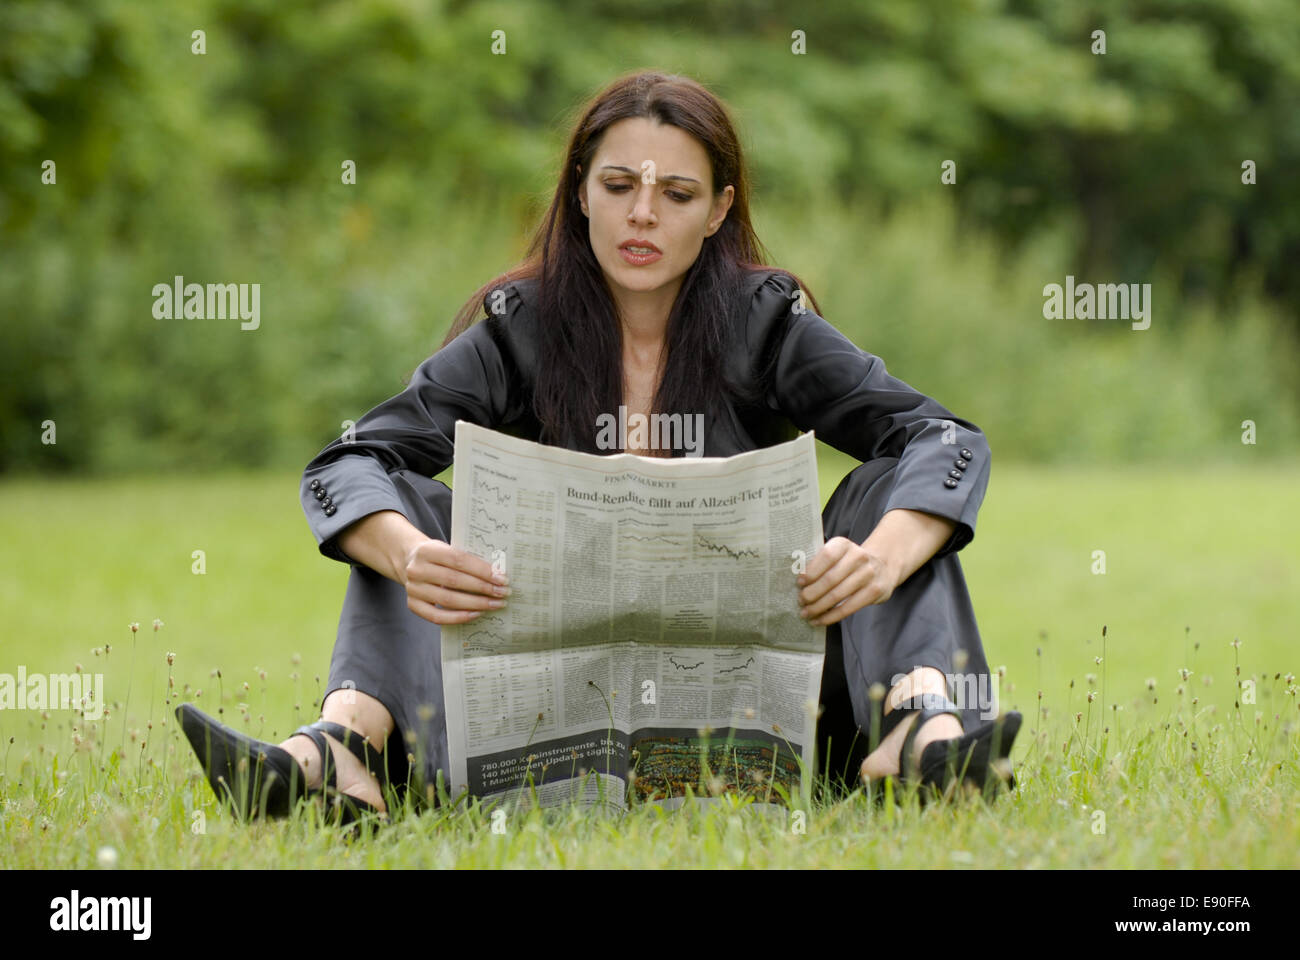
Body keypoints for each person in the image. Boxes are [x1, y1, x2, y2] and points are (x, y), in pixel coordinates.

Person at [177, 70, 1020, 826]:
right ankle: (339, 751)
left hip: (769, 708)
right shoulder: (519, 330)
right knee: (416, 511)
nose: (642, 213)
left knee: (890, 494)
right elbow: (349, 461)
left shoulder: (766, 321)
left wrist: (879, 557)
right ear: (581, 192)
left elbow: (942, 440)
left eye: (678, 194)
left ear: (720, 209)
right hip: (544, 713)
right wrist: (411, 557)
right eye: (618, 185)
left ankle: (917, 734)